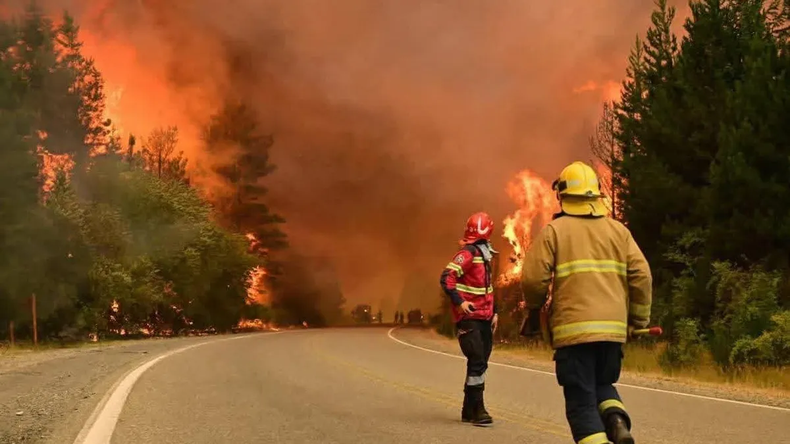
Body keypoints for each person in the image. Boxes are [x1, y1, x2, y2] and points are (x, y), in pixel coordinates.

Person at [520, 161, 652, 444]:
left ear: (562, 195)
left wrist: (534, 308)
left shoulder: (555, 231)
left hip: (574, 333)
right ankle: (616, 420)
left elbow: (532, 280)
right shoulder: (619, 231)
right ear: (596, 193)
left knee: (581, 399)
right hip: (612, 333)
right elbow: (642, 276)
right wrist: (638, 320)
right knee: (603, 383)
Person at [440, 212, 499, 426]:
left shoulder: (485, 254)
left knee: (480, 363)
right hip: (469, 318)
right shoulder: (468, 253)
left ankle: (468, 409)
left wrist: (495, 312)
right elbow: (447, 277)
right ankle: (479, 410)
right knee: (477, 360)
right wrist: (460, 303)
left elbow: (488, 288)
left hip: (485, 317)